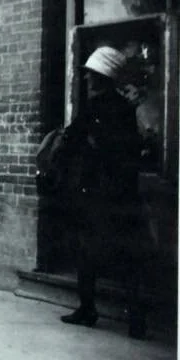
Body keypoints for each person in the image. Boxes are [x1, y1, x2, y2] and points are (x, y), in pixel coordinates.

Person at [59, 45, 150, 339]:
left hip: (97, 193)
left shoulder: (94, 108)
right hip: (124, 195)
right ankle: (136, 320)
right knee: (129, 256)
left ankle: (88, 309)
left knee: (86, 251)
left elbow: (70, 141)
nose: (86, 81)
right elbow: (135, 151)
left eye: (90, 76)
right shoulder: (126, 110)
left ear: (100, 78)